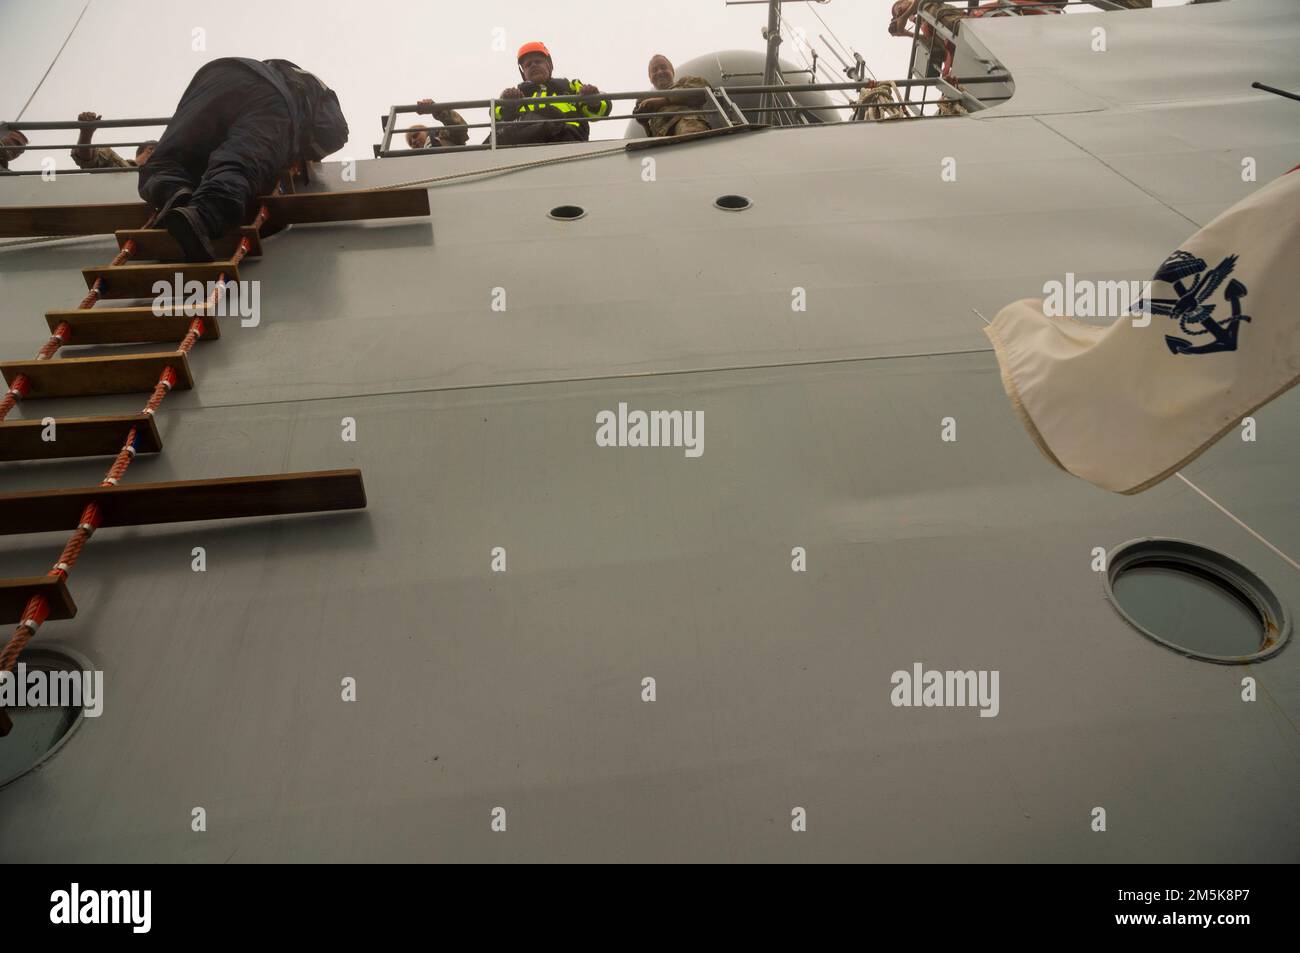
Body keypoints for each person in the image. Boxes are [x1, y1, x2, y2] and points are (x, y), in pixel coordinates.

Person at [138, 57, 348, 261]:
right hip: (270, 97)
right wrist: (298, 154)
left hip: (217, 75)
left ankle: (173, 191)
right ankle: (203, 216)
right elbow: (335, 130)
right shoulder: (315, 91)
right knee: (239, 165)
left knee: (168, 159)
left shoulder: (275, 69)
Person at [493, 41, 610, 146]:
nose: (533, 65)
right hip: (525, 146)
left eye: (538, 61)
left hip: (568, 141)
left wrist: (594, 100)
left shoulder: (570, 87)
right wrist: (506, 104)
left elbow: (601, 109)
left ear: (549, 65)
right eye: (528, 65)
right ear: (523, 74)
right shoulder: (516, 94)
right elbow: (496, 115)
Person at [633, 55, 712, 137]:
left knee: (692, 145)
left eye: (663, 67)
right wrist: (644, 124)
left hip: (687, 124)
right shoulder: (647, 100)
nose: (659, 72)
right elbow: (651, 135)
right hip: (662, 137)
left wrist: (663, 101)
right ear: (650, 78)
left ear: (672, 71)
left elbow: (703, 89)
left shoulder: (685, 82)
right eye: (654, 70)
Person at [71, 111, 156, 169]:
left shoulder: (165, 174)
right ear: (150, 149)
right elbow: (87, 160)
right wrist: (86, 134)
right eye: (153, 149)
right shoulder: (119, 164)